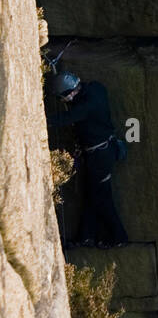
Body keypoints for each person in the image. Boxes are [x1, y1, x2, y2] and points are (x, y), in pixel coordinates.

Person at [48, 73, 128, 248]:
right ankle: (85, 236)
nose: (65, 100)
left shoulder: (85, 106)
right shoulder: (96, 88)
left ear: (70, 93)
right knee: (93, 194)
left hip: (99, 155)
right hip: (105, 150)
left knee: (102, 197)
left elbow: (67, 118)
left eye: (64, 97)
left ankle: (119, 236)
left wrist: (40, 120)